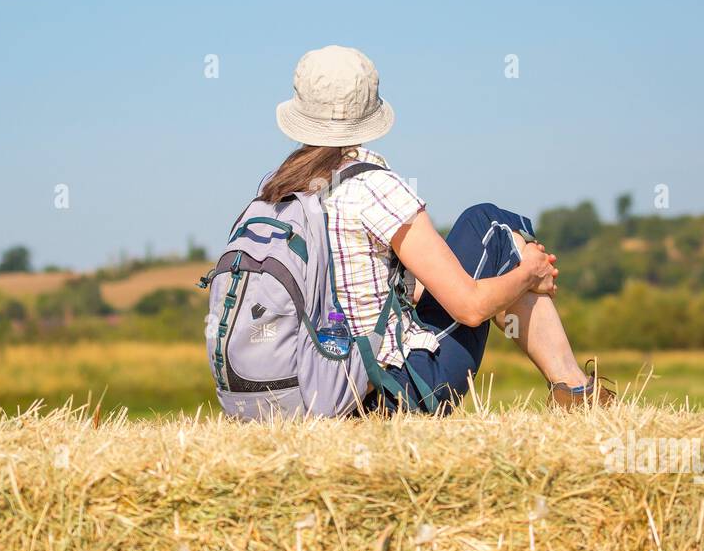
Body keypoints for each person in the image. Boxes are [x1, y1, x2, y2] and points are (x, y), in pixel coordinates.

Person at [261, 44, 615, 414]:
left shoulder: (279, 191)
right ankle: (576, 391)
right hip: (392, 391)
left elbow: (357, 291)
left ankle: (575, 390)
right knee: (489, 224)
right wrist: (528, 274)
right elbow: (472, 308)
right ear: (369, 110)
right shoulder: (374, 186)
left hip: (313, 386)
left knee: (485, 244)